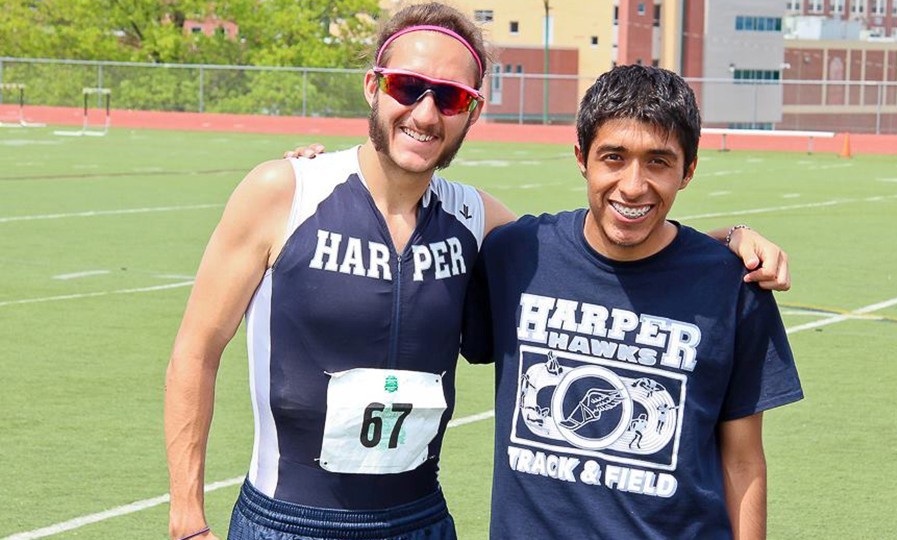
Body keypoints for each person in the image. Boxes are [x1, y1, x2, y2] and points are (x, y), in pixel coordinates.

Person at [165, 4, 791, 540]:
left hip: (422, 521)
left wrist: (722, 244)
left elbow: (600, 251)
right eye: (408, 87)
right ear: (372, 86)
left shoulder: (476, 219)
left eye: (452, 97)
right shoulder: (286, 191)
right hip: (287, 521)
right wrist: (188, 516)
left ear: (473, 111)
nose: (426, 111)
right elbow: (196, 350)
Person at [461, 65, 804, 539]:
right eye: (614, 157)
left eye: (659, 162)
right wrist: (321, 168)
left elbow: (743, 461)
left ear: (689, 170)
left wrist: (733, 235)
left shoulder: (732, 286)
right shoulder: (519, 255)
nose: (633, 186)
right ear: (582, 157)